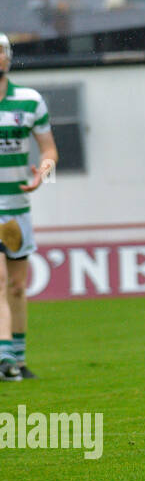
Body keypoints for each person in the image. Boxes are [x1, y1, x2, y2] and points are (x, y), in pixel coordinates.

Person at [0, 33, 58, 382]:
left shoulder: (29, 101)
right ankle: (4, 356)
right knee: (0, 280)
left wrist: (44, 173)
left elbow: (49, 150)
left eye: (2, 52)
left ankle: (16, 360)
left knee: (18, 287)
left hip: (18, 206)